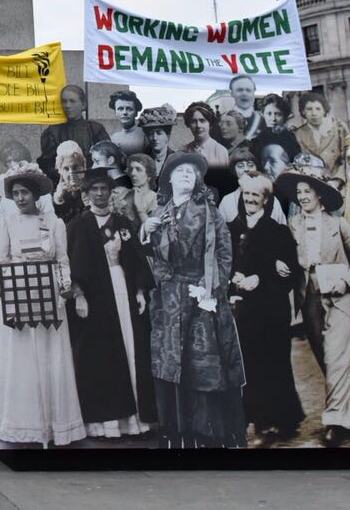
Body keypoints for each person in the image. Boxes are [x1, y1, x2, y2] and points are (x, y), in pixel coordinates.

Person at [141, 149, 247, 448]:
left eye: (192, 172)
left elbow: (224, 253)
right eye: (180, 171)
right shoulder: (159, 213)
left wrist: (211, 288)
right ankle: (175, 429)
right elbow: (157, 258)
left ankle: (207, 432)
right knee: (172, 366)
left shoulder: (208, 211)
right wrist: (146, 233)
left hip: (201, 296)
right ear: (169, 179)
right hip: (168, 300)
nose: (186, 175)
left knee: (202, 365)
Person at [0, 162, 86, 448]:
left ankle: (52, 425)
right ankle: (21, 425)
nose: (20, 198)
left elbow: (62, 260)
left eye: (25, 193)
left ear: (35, 195)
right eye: (16, 193)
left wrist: (64, 287)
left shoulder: (54, 224)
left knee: (47, 357)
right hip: (17, 296)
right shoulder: (7, 224)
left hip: (47, 296)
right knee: (22, 360)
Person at [276, 168, 350, 446]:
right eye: (300, 193)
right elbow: (286, 258)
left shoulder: (337, 224)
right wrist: (281, 266)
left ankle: (335, 422)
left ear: (319, 195)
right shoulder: (293, 225)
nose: (303, 196)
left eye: (308, 192)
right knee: (328, 361)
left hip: (340, 298)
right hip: (309, 301)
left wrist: (347, 280)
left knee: (336, 358)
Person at [66, 166, 154, 438]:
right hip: (96, 300)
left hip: (122, 290)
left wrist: (140, 290)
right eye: (95, 189)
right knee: (101, 357)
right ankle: (105, 422)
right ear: (87, 193)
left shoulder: (122, 223)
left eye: (104, 189)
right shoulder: (78, 226)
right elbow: (70, 265)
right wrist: (78, 294)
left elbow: (136, 260)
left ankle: (134, 420)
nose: (100, 194)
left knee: (130, 349)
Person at [226, 172, 304, 446]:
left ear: (265, 199)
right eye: (246, 194)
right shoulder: (231, 229)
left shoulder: (278, 232)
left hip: (270, 310)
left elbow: (290, 273)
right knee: (246, 365)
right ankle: (251, 417)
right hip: (241, 311)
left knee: (273, 363)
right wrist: (232, 279)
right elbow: (224, 262)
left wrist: (260, 279)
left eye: (255, 195)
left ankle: (276, 421)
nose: (249, 199)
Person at [38, 85, 110, 183]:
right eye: (64, 101)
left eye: (72, 101)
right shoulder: (53, 131)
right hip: (63, 183)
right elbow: (47, 164)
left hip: (91, 183)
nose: (67, 105)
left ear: (83, 105)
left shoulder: (95, 129)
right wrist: (67, 176)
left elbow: (106, 159)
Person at [218, 148, 287, 225]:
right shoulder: (227, 201)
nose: (246, 169)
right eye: (240, 166)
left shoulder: (272, 200)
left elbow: (282, 229)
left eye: (250, 165)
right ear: (233, 170)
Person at [295, 92, 349, 176]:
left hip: (338, 183)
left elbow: (348, 159)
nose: (314, 113)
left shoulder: (339, 129)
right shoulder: (298, 134)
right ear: (303, 112)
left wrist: (337, 180)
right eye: (309, 109)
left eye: (318, 109)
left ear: (324, 111)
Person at [179, 102, 230, 182]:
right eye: (193, 121)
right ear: (189, 124)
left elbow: (223, 183)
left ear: (210, 124)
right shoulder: (183, 151)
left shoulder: (220, 151)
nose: (198, 125)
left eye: (202, 121)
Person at [52, 141, 87, 223]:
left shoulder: (95, 188)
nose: (71, 173)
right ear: (60, 171)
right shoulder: (56, 196)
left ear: (83, 167)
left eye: (75, 167)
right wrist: (58, 199)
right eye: (66, 169)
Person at [221, 76, 263, 143]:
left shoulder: (264, 121)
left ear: (254, 92)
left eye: (248, 90)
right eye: (240, 90)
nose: (244, 94)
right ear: (232, 93)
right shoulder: (222, 120)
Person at [107, 90, 146, 161]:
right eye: (120, 109)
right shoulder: (113, 138)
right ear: (115, 112)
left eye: (129, 109)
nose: (124, 112)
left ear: (136, 113)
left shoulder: (144, 135)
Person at [138, 104, 179, 171]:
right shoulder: (141, 159)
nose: (154, 138)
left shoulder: (176, 159)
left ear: (168, 135)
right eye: (150, 134)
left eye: (159, 133)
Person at [126, 152, 159, 226]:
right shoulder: (124, 194)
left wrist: (139, 209)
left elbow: (152, 231)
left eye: (138, 169)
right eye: (131, 169)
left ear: (149, 174)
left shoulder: (157, 200)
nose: (133, 173)